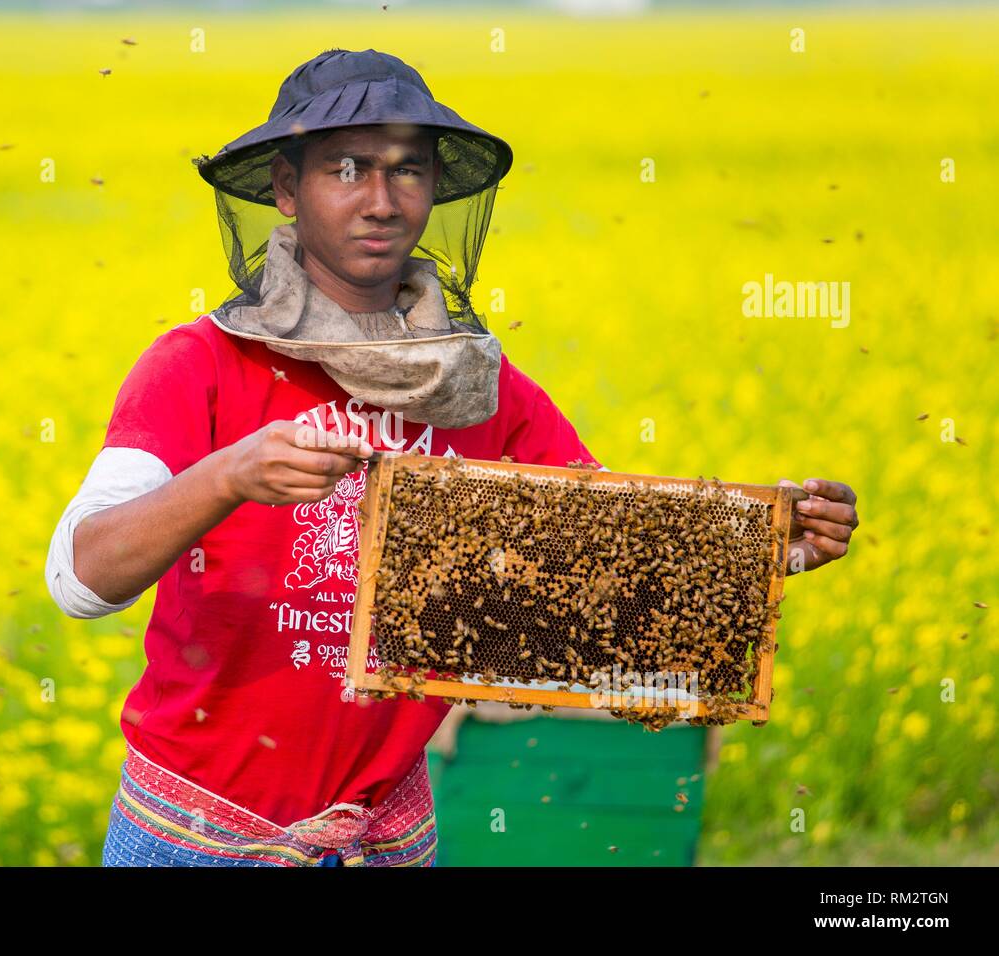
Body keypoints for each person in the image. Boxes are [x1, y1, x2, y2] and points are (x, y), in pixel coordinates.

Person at [45, 49, 858, 867]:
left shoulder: (488, 393)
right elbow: (79, 579)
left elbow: (610, 559)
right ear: (287, 191)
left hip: (387, 839)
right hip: (195, 839)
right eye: (347, 168)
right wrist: (226, 476)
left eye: (407, 172)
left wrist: (763, 545)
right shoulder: (198, 365)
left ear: (436, 190)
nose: (381, 201)